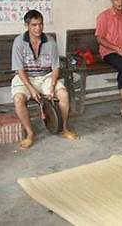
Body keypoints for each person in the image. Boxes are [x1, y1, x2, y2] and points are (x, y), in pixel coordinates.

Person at [11, 9, 77, 149]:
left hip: (46, 76)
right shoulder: (19, 42)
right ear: (27, 26)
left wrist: (52, 86)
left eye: (40, 24)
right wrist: (31, 89)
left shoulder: (50, 42)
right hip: (26, 78)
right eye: (34, 25)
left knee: (63, 94)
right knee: (18, 99)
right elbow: (19, 69)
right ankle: (30, 134)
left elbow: (55, 68)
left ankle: (64, 128)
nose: (38, 28)